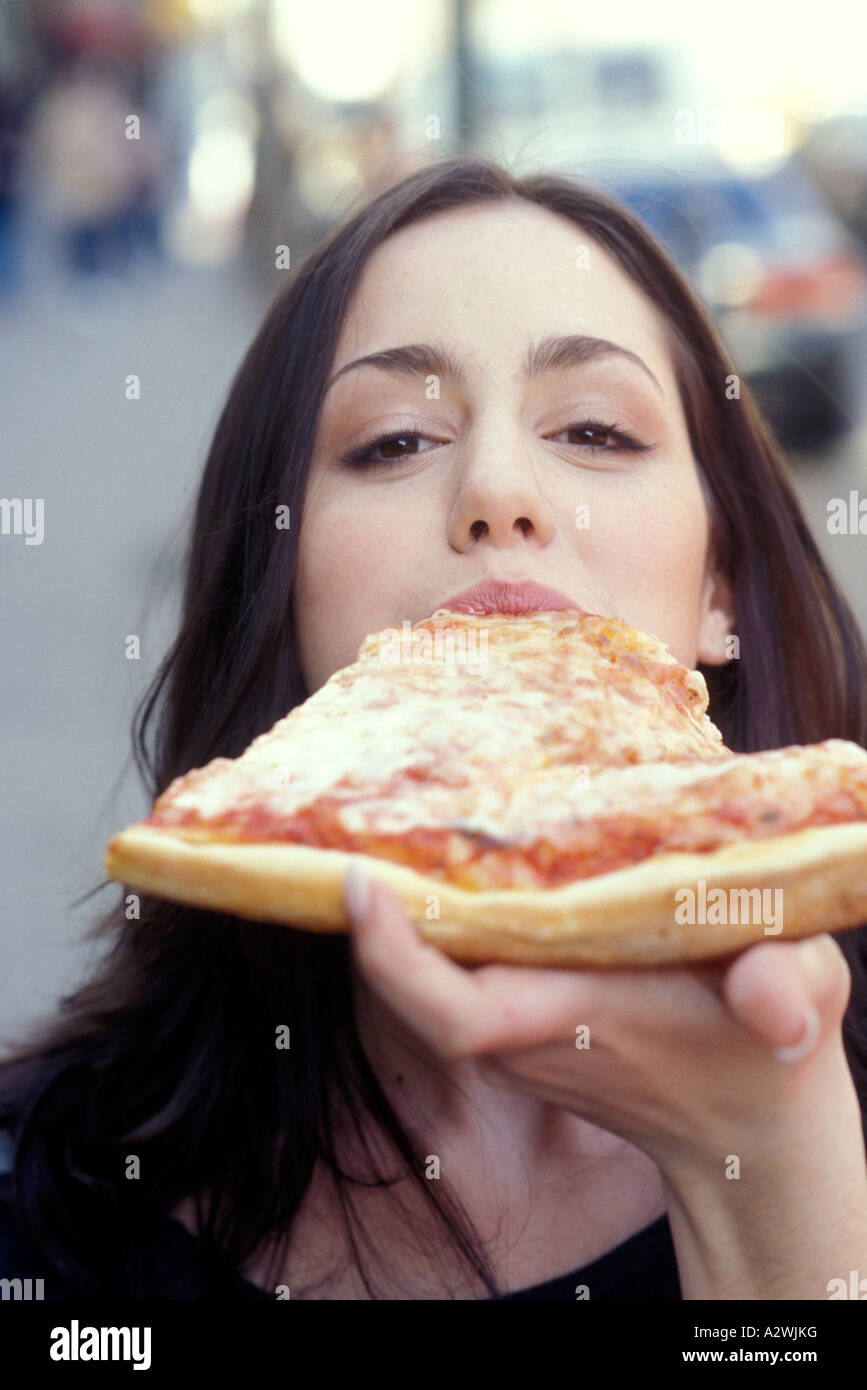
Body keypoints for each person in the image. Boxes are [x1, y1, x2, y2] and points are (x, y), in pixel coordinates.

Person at [1, 155, 866, 1301]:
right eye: (394, 441)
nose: (498, 488)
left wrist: (774, 1170)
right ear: (281, 577)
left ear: (721, 587)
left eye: (599, 431)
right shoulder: (47, 1200)